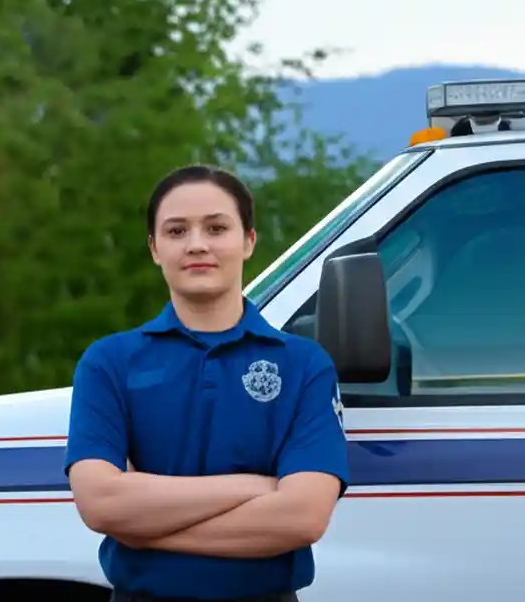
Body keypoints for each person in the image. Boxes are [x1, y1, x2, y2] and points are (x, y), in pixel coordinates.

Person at [64, 164, 350, 602]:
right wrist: (256, 487)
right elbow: (100, 503)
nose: (197, 245)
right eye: (176, 232)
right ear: (155, 248)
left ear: (249, 241)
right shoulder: (109, 362)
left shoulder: (304, 364)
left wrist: (142, 528)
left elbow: (303, 517)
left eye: (216, 228)